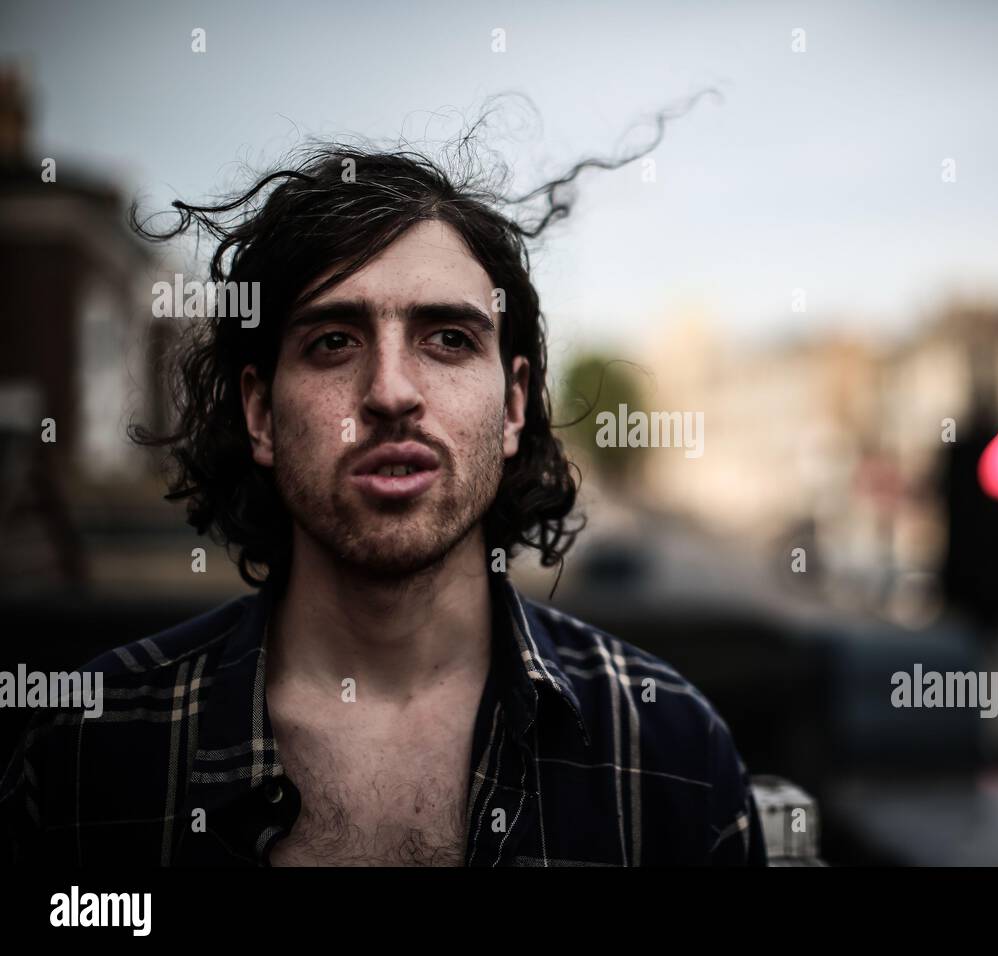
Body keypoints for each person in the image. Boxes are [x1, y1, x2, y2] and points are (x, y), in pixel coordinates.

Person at [0, 133, 766, 867]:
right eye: (334, 340)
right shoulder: (90, 750)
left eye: (449, 339)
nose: (392, 393)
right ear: (261, 413)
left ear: (512, 407)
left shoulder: (673, 752)